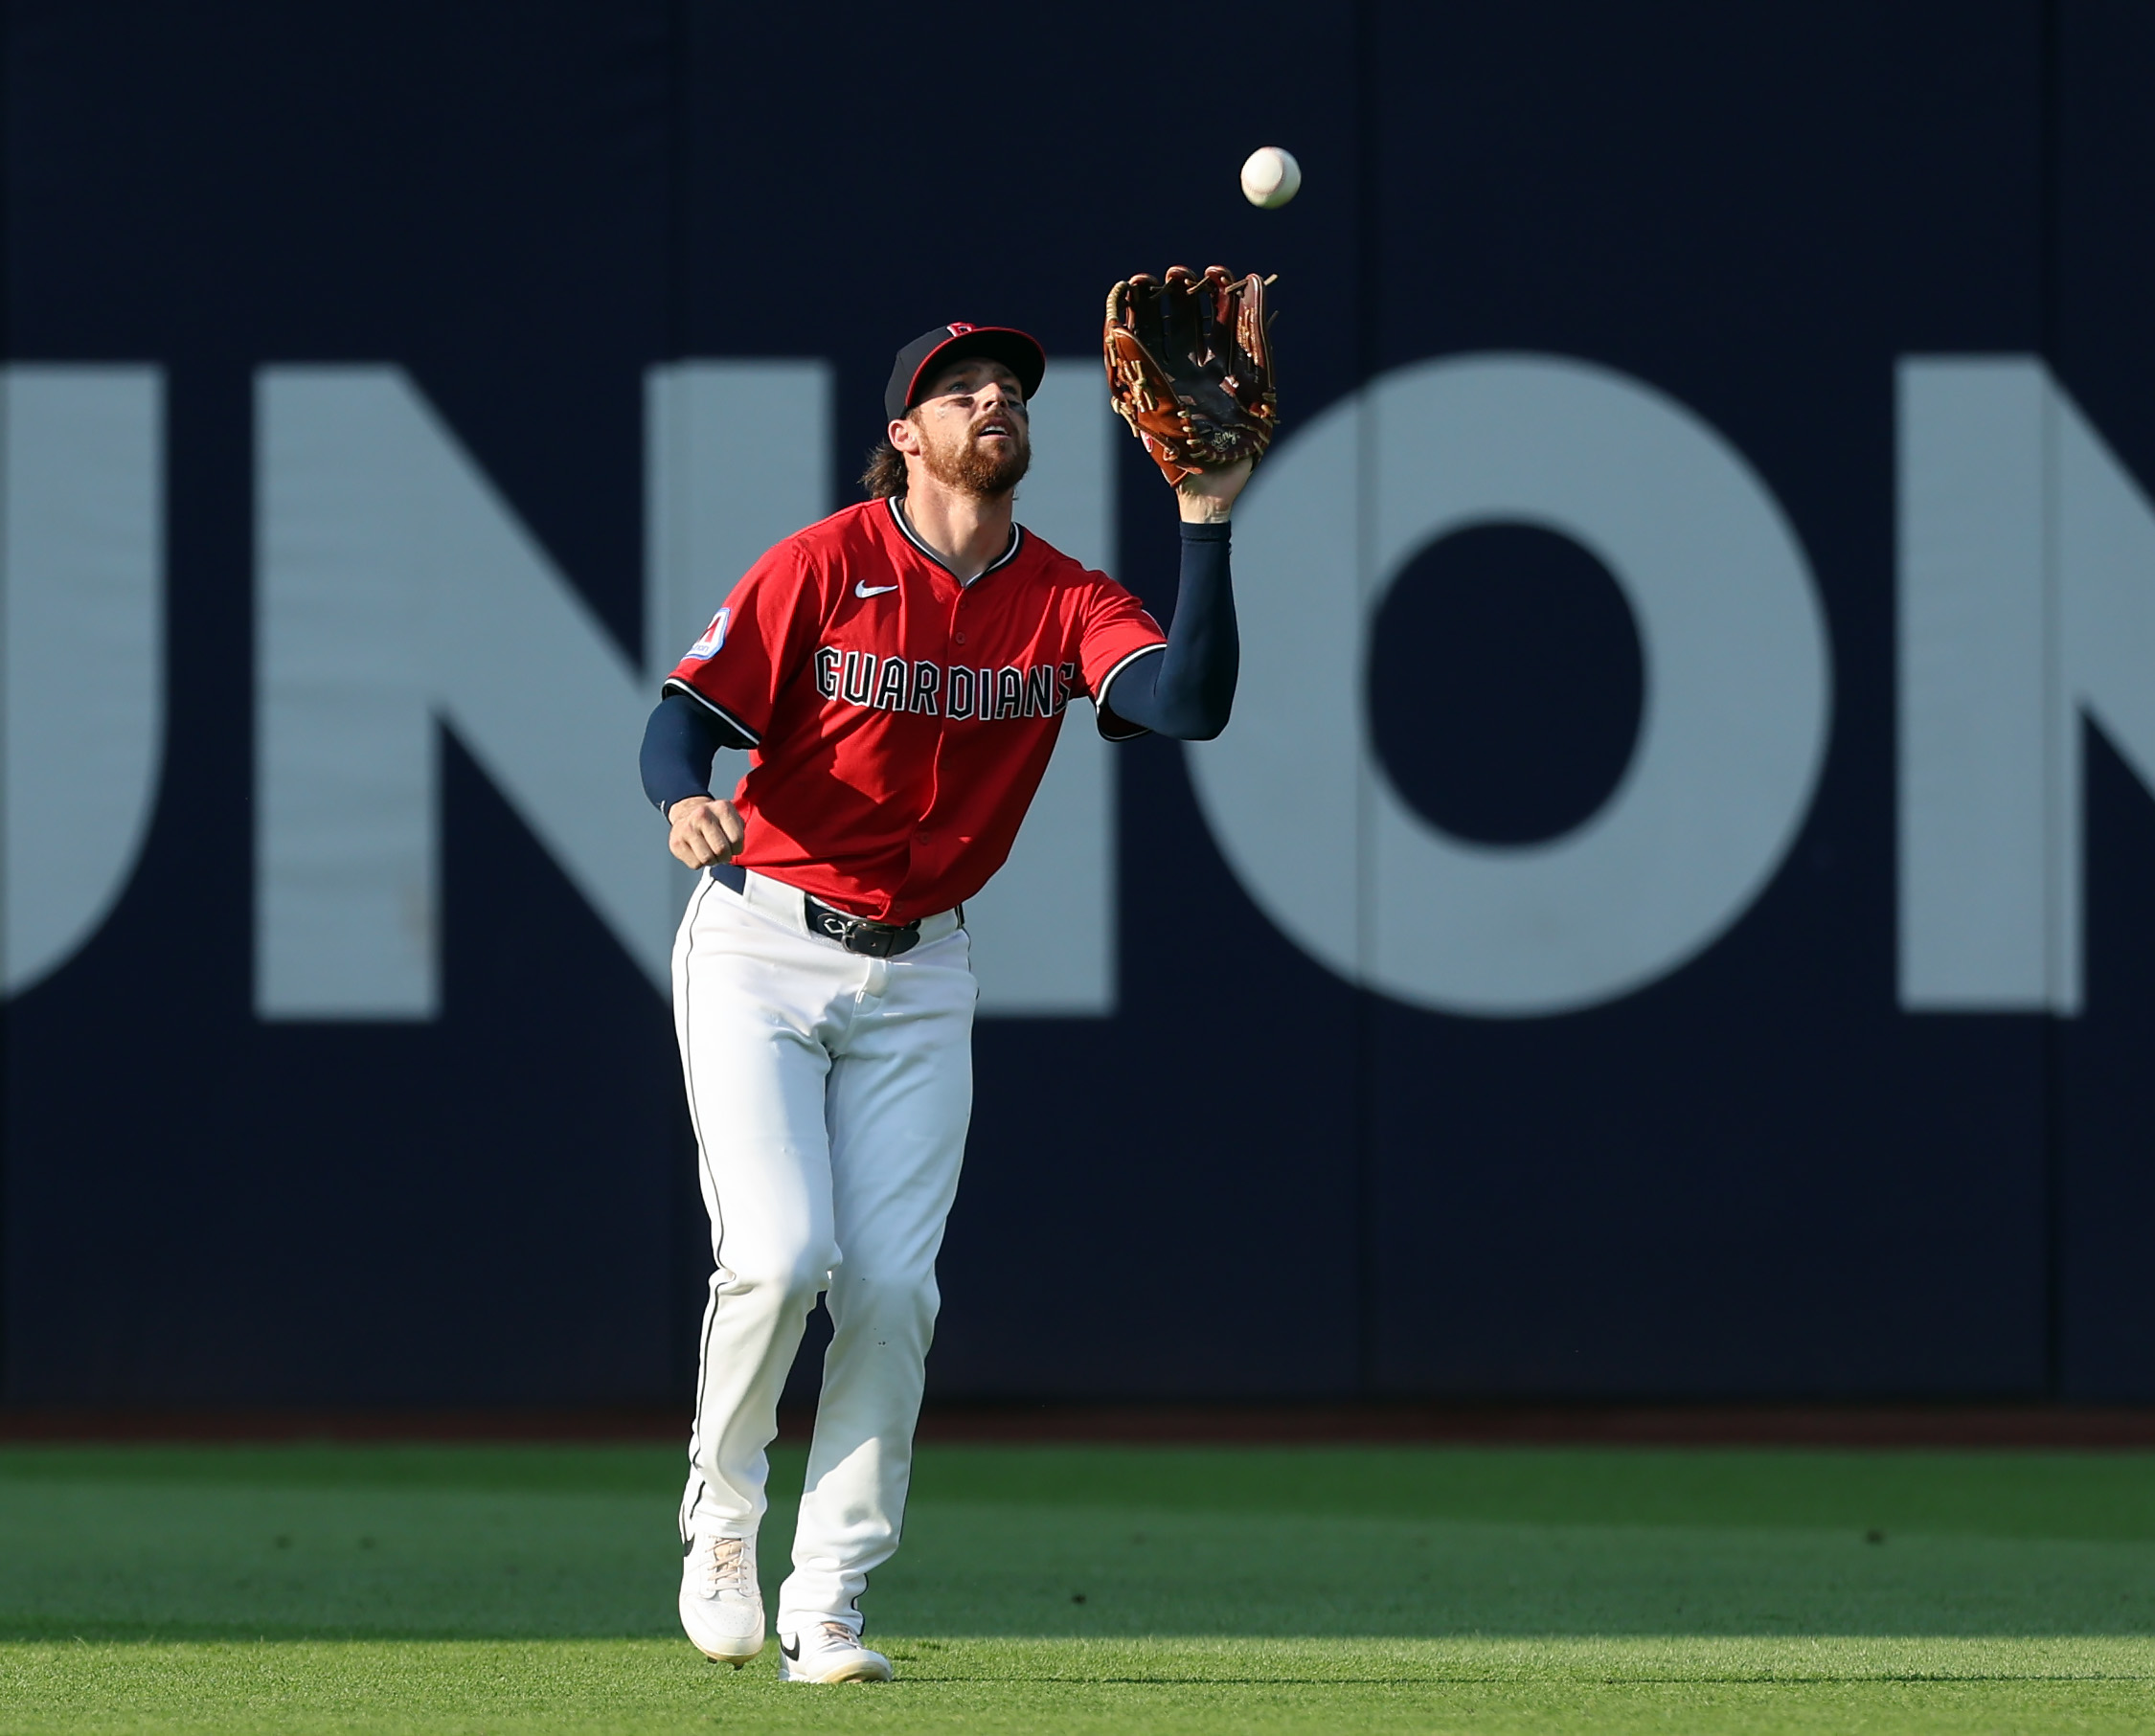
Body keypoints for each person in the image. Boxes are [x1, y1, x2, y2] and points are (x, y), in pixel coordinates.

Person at [638, 320, 1247, 1683]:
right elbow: (681, 713)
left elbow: (1186, 704)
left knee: (896, 1287)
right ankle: (721, 1518)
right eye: (959, 388)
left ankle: (830, 1598)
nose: (993, 400)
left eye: (1012, 389)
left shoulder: (1065, 597)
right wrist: (683, 796)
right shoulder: (824, 563)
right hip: (759, 943)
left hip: (921, 969)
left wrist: (1202, 521)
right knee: (782, 1255)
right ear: (903, 436)